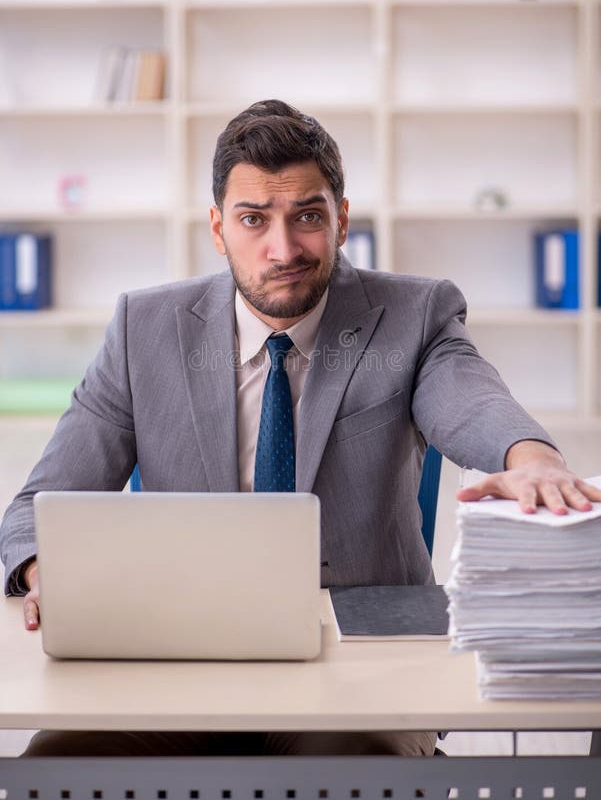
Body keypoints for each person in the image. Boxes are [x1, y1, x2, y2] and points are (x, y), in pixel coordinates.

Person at [1, 99, 599, 758]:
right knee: (61, 764)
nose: (281, 249)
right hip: (176, 664)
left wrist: (531, 455)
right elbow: (34, 507)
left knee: (343, 769)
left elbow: (469, 397)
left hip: (359, 670)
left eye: (306, 217)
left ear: (341, 219)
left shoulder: (411, 314)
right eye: (252, 219)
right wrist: (40, 571)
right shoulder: (145, 329)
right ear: (217, 227)